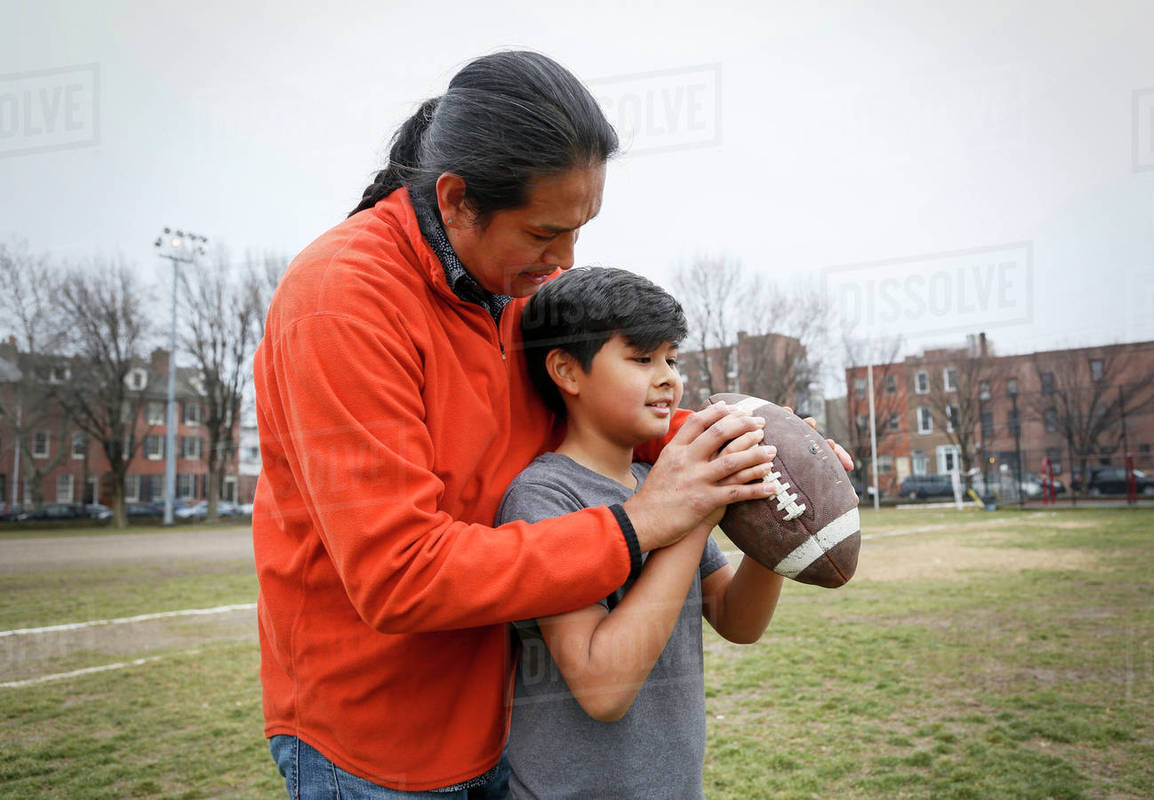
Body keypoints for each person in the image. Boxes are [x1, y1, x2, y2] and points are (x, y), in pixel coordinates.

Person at [252, 51, 789, 798]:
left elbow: (621, 401)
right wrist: (641, 522)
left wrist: (758, 446)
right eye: (544, 232)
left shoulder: (516, 285)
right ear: (456, 201)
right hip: (377, 747)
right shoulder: (341, 300)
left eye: (580, 229)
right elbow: (399, 573)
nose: (565, 261)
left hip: (503, 724)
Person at [496, 268, 785, 799]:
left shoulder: (660, 483)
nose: (668, 378)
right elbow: (602, 688)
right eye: (642, 358)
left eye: (672, 359)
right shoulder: (544, 497)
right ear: (567, 370)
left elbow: (736, 620)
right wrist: (694, 515)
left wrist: (778, 526)